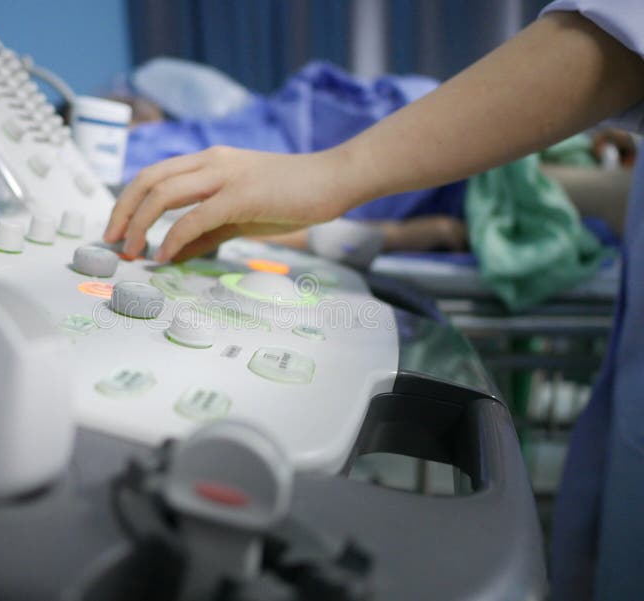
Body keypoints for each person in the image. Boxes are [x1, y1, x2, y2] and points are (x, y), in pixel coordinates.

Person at [105, 3, 644, 599]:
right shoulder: (173, 131)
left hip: (430, 151)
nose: (139, 122)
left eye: (136, 117)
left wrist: (332, 173)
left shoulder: (213, 116)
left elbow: (622, 36)